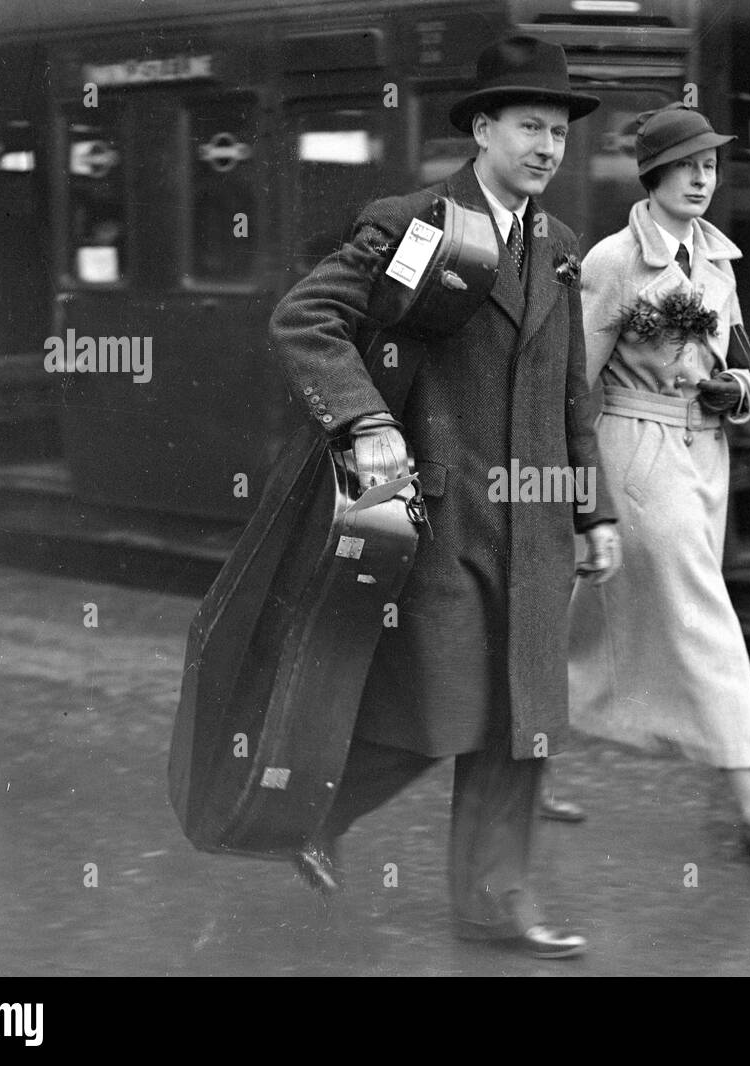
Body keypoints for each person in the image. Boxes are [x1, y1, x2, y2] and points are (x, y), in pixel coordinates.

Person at [269, 35, 621, 959]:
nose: (549, 146)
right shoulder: (417, 221)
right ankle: (309, 814)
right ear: (481, 129)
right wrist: (361, 421)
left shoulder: (563, 245)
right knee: (438, 707)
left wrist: (595, 510)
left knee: (522, 723)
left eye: (559, 130)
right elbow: (307, 318)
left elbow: (569, 392)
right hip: (443, 510)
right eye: (530, 126)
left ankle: (496, 904)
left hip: (537, 518)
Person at [568, 104, 750, 863]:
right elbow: (574, 386)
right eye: (686, 165)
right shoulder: (612, 261)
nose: (700, 179)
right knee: (700, 618)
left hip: (704, 453)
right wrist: (586, 501)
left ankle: (518, 754)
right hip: (639, 449)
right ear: (652, 174)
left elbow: (741, 361)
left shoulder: (718, 260)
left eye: (711, 166)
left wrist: (737, 393)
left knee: (591, 617)